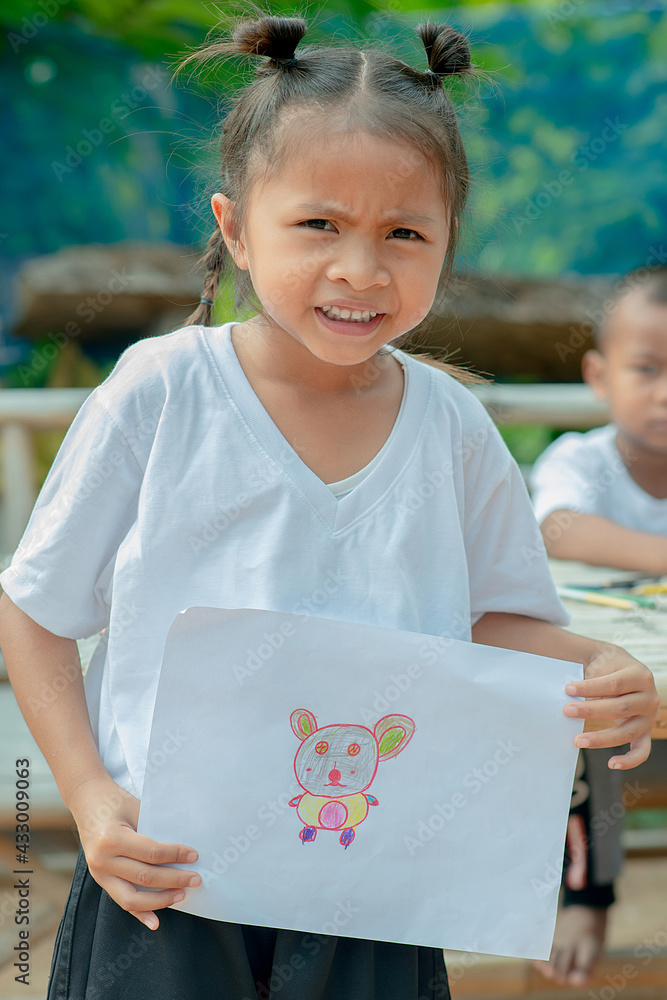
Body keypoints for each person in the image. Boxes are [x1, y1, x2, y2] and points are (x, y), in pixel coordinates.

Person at [0, 15, 658, 1000]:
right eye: (318, 225)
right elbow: (34, 610)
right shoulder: (161, 393)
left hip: (377, 884)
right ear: (235, 229)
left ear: (448, 243)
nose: (360, 268)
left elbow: (492, 623)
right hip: (167, 879)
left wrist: (600, 667)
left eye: (404, 233)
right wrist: (91, 799)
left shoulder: (453, 428)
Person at [529, 266, 667, 988]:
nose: (666, 392)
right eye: (647, 369)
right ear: (598, 375)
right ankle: (586, 894)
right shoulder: (580, 460)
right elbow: (558, 527)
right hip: (616, 735)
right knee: (580, 713)